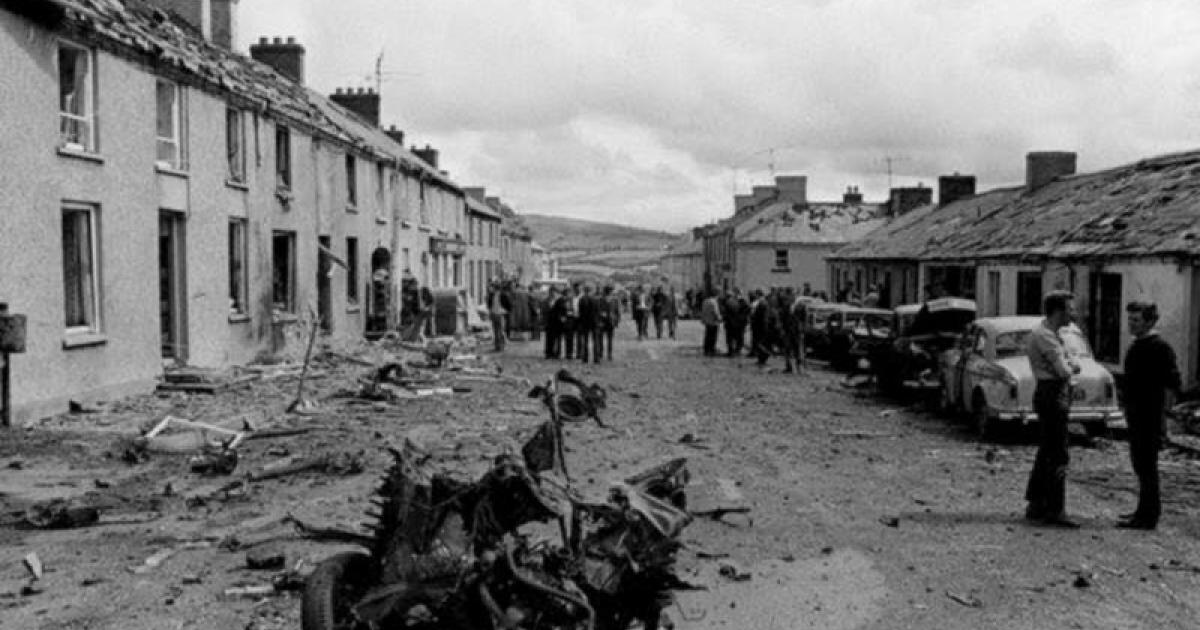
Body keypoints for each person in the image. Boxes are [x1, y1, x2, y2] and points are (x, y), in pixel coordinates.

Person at [1118, 301, 1181, 530]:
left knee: (1147, 466)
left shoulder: (1159, 347)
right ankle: (1142, 510)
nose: (1131, 324)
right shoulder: (1137, 345)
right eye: (1130, 319)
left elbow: (1172, 383)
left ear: (1149, 321)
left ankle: (1148, 516)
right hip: (1136, 413)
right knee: (1139, 464)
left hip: (1150, 415)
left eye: (1136, 320)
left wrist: (1164, 416)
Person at [1024, 291, 1083, 528]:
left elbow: (1070, 363)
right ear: (1059, 311)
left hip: (1050, 393)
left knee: (1046, 450)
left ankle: (1037, 502)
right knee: (1058, 452)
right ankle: (1055, 509)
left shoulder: (1050, 333)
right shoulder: (1046, 336)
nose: (1074, 313)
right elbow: (1065, 371)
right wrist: (1071, 365)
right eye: (1071, 309)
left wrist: (1071, 363)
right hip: (1052, 394)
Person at [486, 280, 512, 352]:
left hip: (501, 315)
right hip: (494, 314)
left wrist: (505, 311)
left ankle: (501, 346)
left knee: (500, 331)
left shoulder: (503, 295)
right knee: (495, 331)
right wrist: (490, 311)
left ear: (496, 288)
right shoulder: (491, 295)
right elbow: (489, 304)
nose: (491, 289)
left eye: (493, 287)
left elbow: (509, 305)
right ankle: (497, 346)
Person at [576, 284, 599, 363]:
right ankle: (596, 358)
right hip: (594, 322)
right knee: (595, 340)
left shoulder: (581, 299)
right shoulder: (595, 299)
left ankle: (585, 358)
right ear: (591, 291)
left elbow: (580, 312)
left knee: (585, 340)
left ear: (584, 291)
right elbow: (597, 311)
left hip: (585, 322)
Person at [600, 285, 621, 361]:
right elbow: (598, 310)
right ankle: (601, 353)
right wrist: (601, 315)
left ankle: (609, 354)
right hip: (602, 322)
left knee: (610, 339)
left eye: (610, 291)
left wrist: (617, 322)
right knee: (601, 339)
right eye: (608, 291)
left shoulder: (615, 300)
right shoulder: (601, 300)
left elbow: (618, 312)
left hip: (611, 322)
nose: (610, 293)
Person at [700, 290, 723, 356]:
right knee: (713, 337)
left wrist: (703, 319)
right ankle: (711, 350)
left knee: (707, 336)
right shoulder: (714, 302)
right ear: (716, 295)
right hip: (713, 322)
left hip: (707, 321)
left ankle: (706, 349)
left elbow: (703, 311)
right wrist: (720, 318)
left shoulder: (705, 301)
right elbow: (715, 312)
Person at [544, 287, 564, 359]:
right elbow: (545, 310)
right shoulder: (547, 300)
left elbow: (562, 311)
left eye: (553, 292)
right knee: (549, 338)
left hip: (557, 323)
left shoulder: (560, 300)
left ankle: (557, 353)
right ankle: (549, 353)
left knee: (557, 339)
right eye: (551, 292)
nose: (552, 294)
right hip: (549, 322)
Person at [563, 285, 578, 360]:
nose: (569, 294)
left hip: (572, 321)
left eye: (570, 292)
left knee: (571, 339)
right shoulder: (565, 301)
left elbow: (574, 310)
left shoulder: (573, 300)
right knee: (568, 338)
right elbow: (565, 311)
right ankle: (568, 354)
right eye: (568, 293)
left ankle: (570, 353)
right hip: (568, 321)